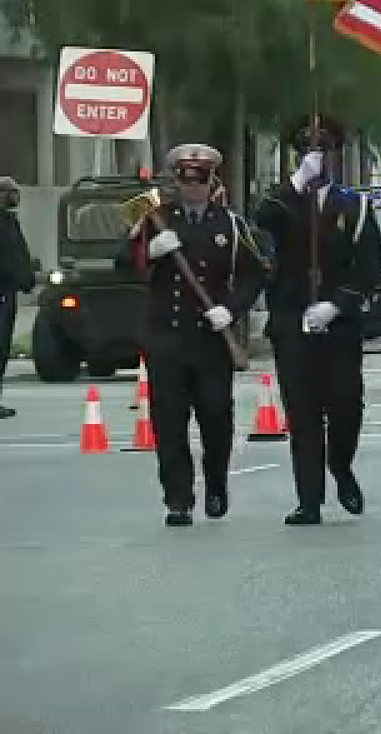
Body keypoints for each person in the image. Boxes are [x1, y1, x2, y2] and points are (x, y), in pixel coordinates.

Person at [123, 146, 263, 525]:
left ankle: (216, 485)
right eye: (185, 181)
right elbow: (124, 262)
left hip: (210, 338)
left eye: (199, 181)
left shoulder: (231, 225)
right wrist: (150, 251)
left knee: (216, 417)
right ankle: (178, 499)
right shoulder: (155, 219)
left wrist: (230, 309)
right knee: (169, 422)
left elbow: (254, 274)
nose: (192, 188)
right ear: (177, 181)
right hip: (165, 336)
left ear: (211, 181)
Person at [255, 117, 381, 526]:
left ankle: (341, 465)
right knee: (303, 411)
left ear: (335, 155)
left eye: (323, 151)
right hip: (293, 320)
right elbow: (264, 219)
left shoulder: (355, 207)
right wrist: (296, 183)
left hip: (339, 325)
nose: (317, 158)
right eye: (308, 152)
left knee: (346, 405)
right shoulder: (282, 201)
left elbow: (369, 265)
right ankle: (308, 500)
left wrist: (338, 305)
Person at [0, 176, 32, 420]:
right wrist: (21, 276)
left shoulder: (9, 220)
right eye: (11, 192)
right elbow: (9, 258)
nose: (15, 197)